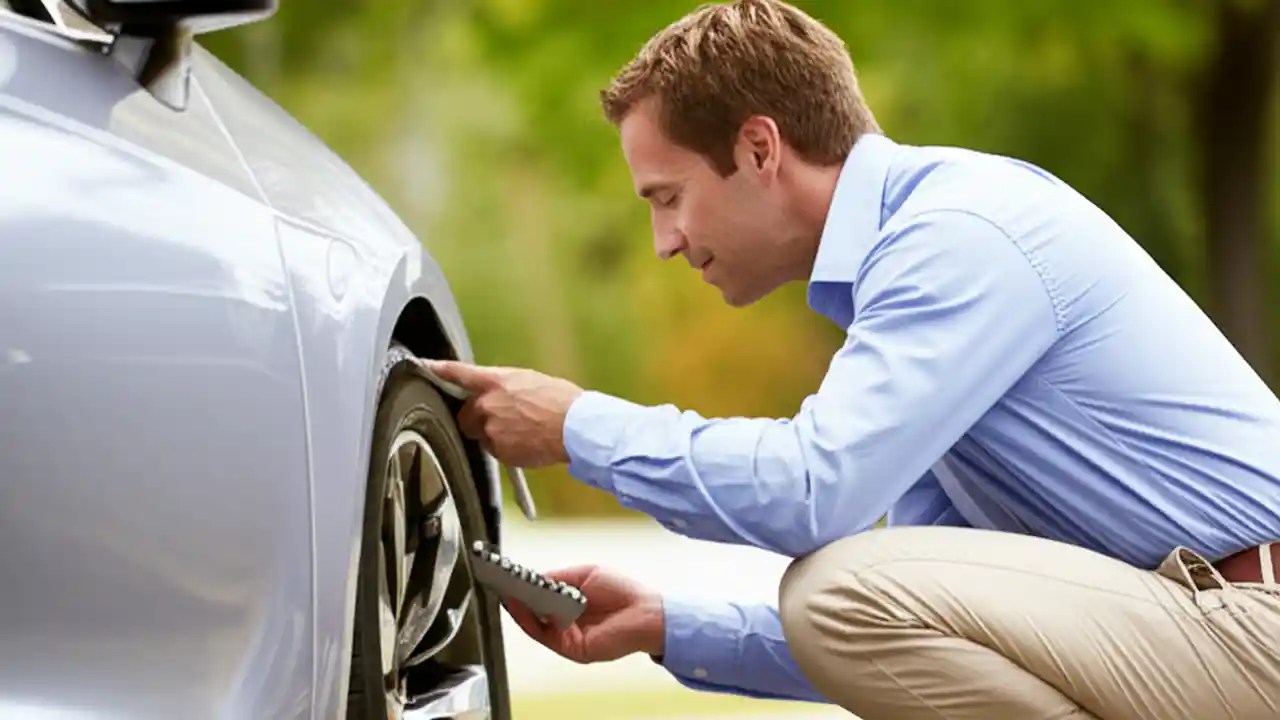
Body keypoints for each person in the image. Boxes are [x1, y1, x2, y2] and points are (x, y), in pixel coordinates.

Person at [427, 0, 1280, 717]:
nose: (665, 243)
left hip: (1252, 619)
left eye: (669, 198)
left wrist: (579, 427)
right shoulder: (911, 268)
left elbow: (812, 498)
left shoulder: (955, 240)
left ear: (761, 150)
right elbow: (908, 629)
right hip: (1202, 620)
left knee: (833, 588)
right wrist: (664, 625)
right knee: (844, 596)